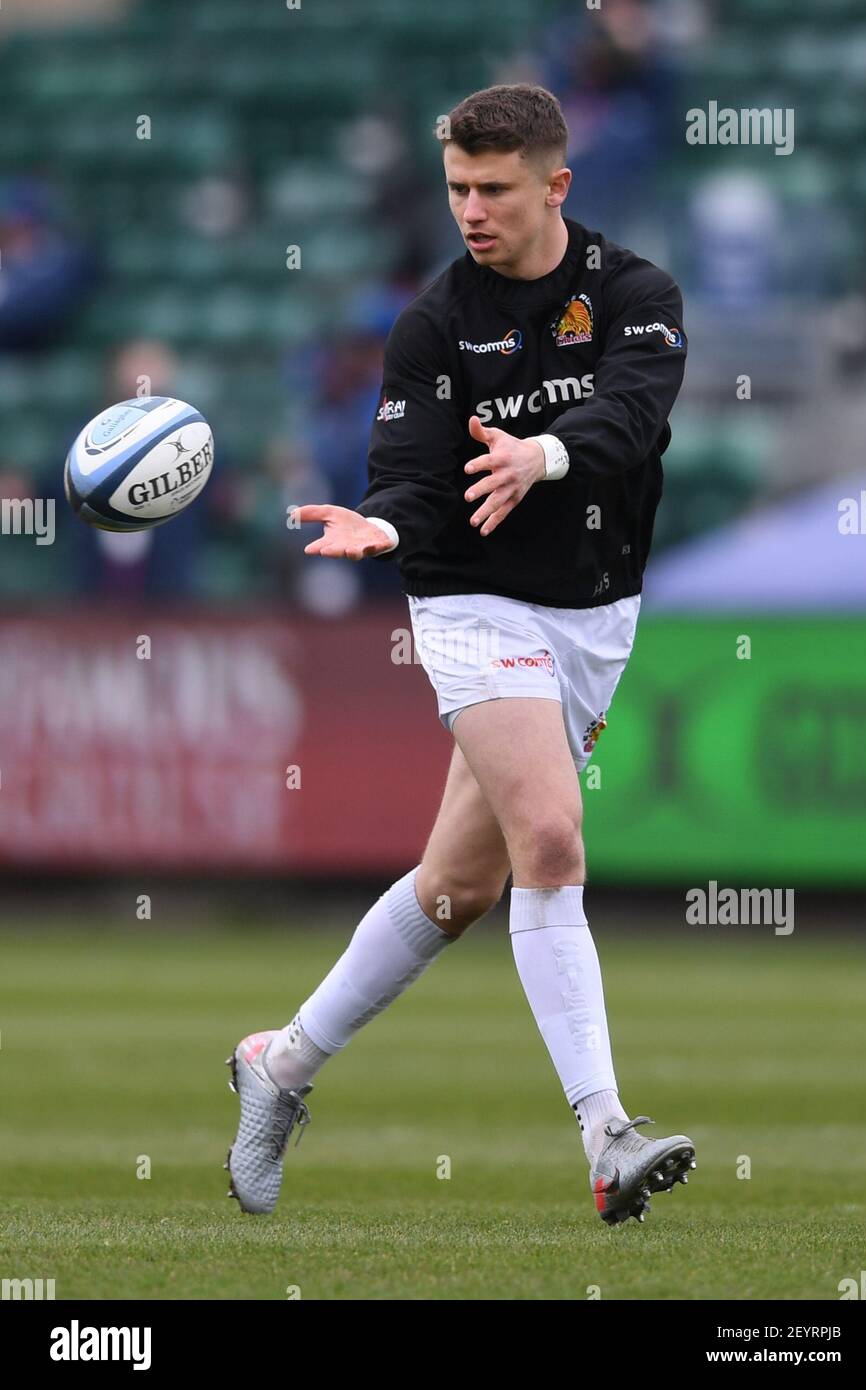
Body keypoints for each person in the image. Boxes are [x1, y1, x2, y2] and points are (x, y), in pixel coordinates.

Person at [225, 83, 695, 1226]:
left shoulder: (635, 295)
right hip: (472, 602)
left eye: (492, 188)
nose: (471, 210)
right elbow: (413, 474)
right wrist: (387, 524)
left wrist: (543, 455)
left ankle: (278, 1063)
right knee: (550, 835)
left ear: (555, 185)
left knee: (459, 887)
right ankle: (606, 1133)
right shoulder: (435, 320)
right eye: (456, 189)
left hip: (593, 612)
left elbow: (629, 420)